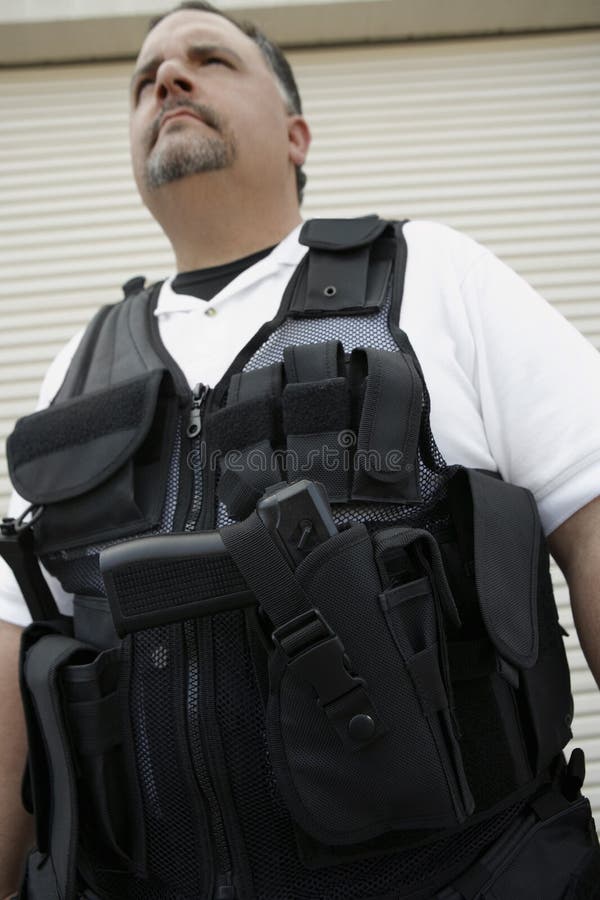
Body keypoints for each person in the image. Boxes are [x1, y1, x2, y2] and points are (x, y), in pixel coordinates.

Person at [1, 2, 600, 898]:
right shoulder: (76, 375)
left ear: (296, 133)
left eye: (210, 59)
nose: (167, 78)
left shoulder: (431, 274)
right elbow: (14, 650)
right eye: (143, 78)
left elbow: (593, 520)